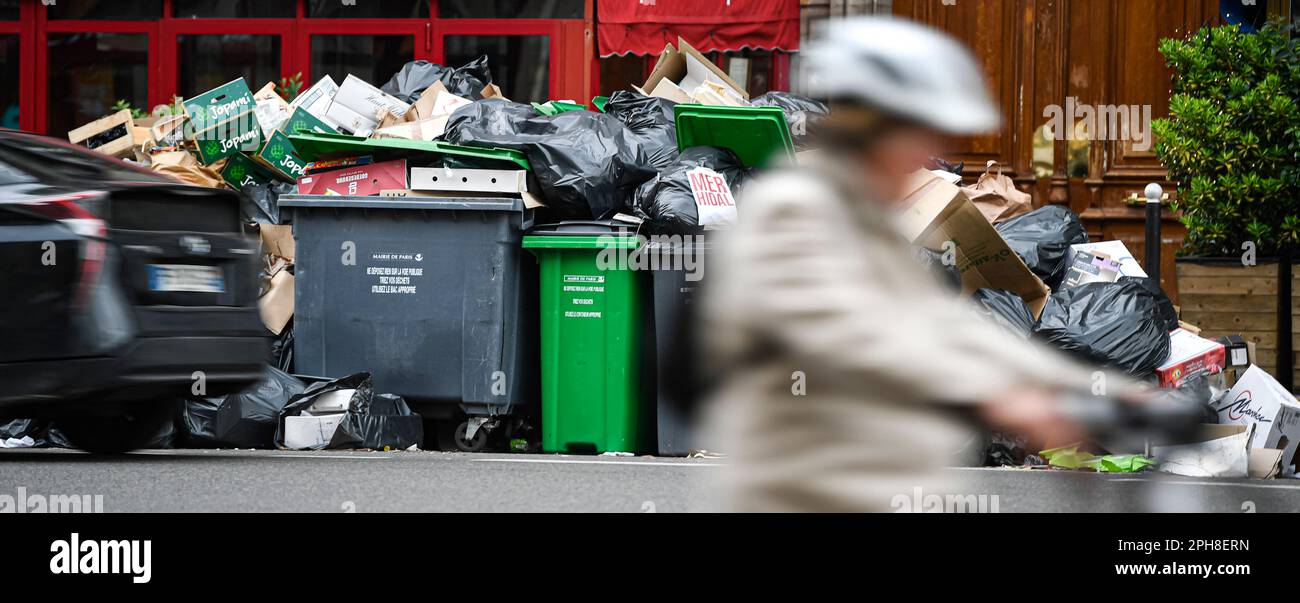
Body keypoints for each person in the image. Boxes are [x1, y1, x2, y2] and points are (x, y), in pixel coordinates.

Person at [699, 18, 1110, 512]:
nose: (923, 153)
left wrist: (1066, 385)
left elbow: (940, 323)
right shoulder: (793, 211)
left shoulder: (867, 219)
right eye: (912, 132)